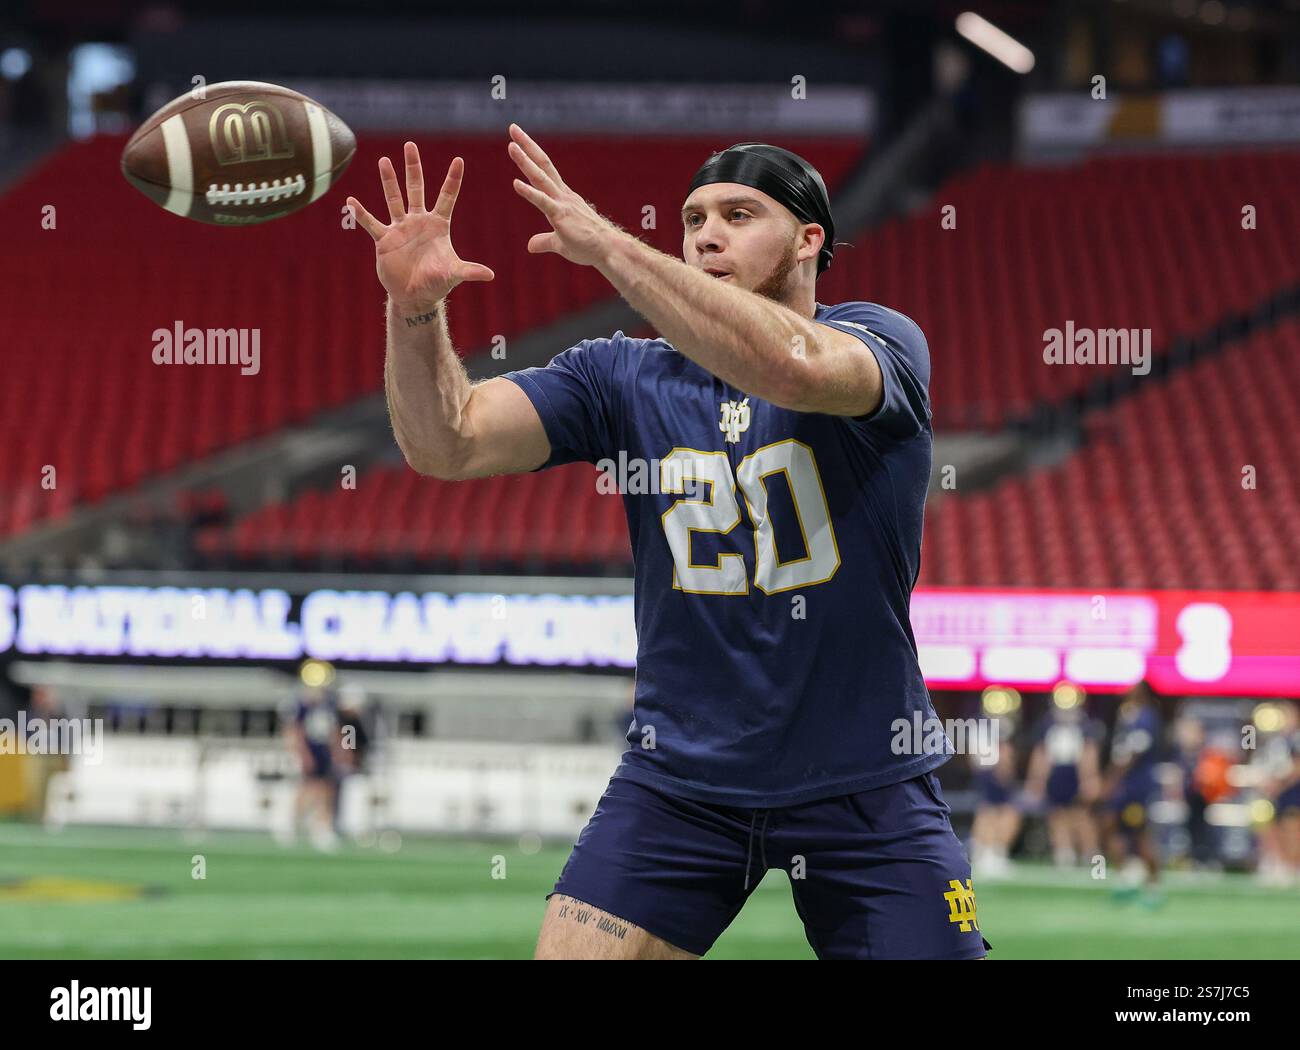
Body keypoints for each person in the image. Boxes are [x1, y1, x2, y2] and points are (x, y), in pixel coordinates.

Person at [348, 128, 987, 959]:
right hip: (682, 783)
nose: (706, 233)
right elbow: (449, 444)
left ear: (808, 240)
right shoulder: (621, 375)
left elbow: (790, 366)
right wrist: (415, 310)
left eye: (738, 214)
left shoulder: (880, 341)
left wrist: (611, 246)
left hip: (863, 778)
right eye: (692, 219)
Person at [1101, 681, 1164, 906]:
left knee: (1140, 834)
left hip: (1137, 786)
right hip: (1125, 785)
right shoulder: (1127, 715)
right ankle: (1127, 878)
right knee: (1112, 827)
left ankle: (1153, 887)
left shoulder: (1145, 717)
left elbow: (1133, 754)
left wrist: (1112, 780)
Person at [1024, 695, 1102, 868]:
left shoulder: (1086, 725)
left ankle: (1091, 854)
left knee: (1081, 815)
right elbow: (1041, 754)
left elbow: (1089, 753)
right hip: (1056, 773)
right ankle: (1064, 853)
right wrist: (1037, 779)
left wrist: (1089, 778)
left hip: (1075, 771)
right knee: (1057, 815)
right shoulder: (1047, 725)